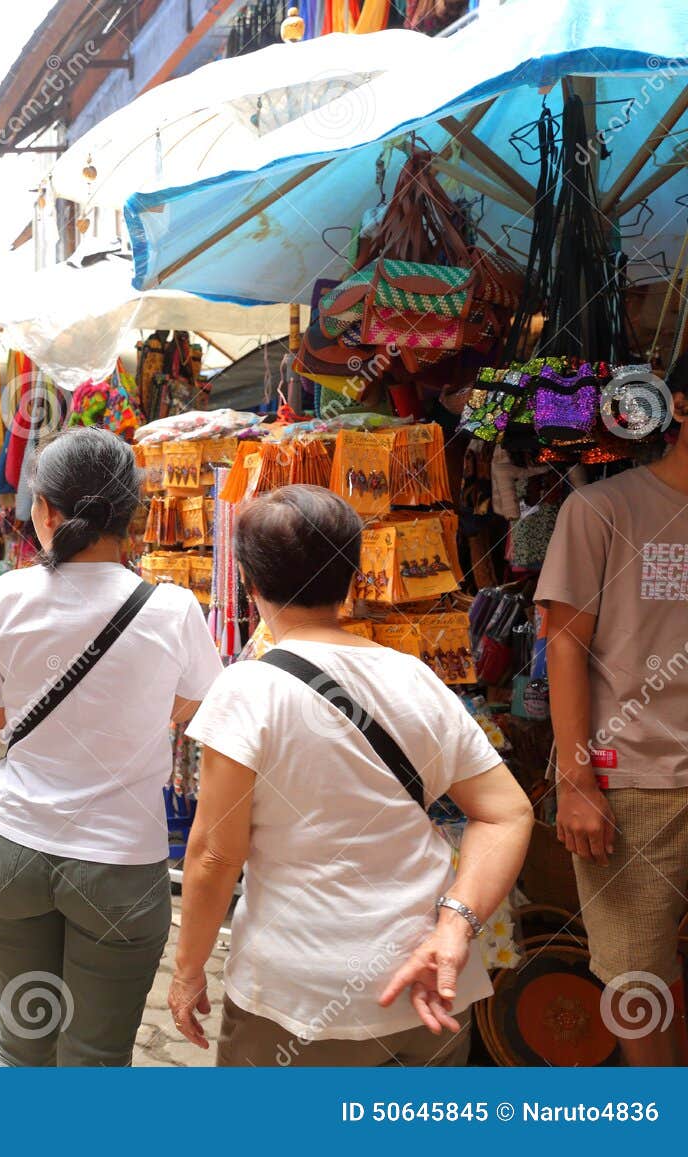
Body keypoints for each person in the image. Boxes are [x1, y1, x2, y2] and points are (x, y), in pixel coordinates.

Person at [169, 485, 532, 1066]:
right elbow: (507, 811)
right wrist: (454, 928)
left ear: (248, 581)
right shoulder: (414, 677)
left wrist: (188, 972)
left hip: (299, 998)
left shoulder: (248, 688)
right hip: (429, 988)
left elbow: (215, 853)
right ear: (354, 576)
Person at [0, 427, 221, 1066]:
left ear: (45, 511)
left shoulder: (6, 595)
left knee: (21, 1044)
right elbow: (194, 706)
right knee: (96, 1059)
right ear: (132, 514)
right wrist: (129, 727)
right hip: (120, 864)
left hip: (12, 849)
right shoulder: (173, 608)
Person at [537, 370, 688, 1066]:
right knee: (635, 977)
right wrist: (576, 783)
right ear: (679, 406)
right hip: (633, 782)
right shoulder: (603, 509)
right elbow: (564, 646)